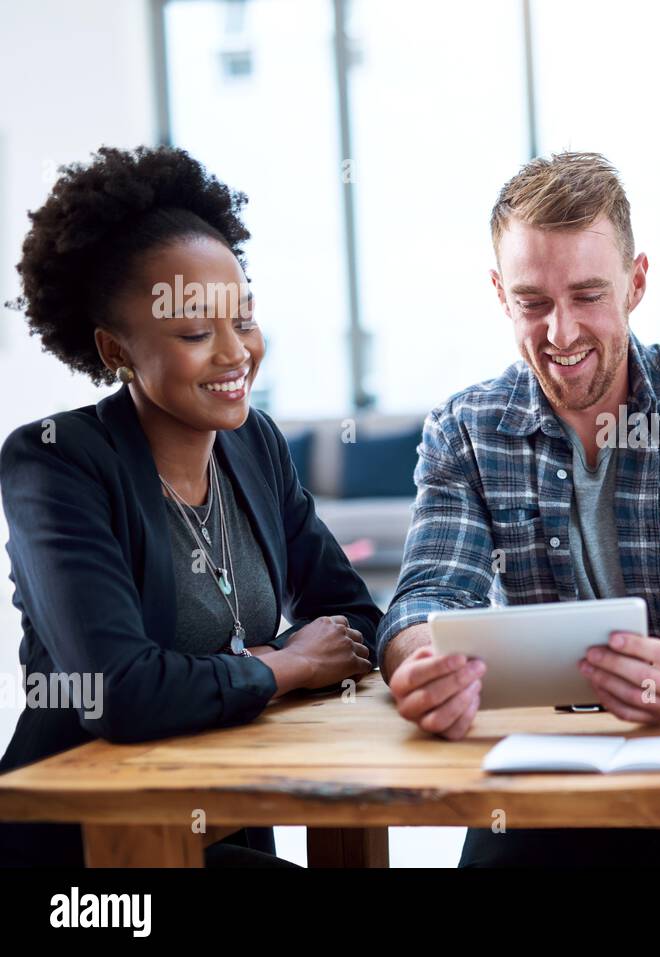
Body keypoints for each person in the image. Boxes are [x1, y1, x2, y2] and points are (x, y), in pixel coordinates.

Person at [379, 151, 660, 867]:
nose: (561, 334)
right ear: (499, 294)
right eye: (533, 303)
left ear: (636, 282)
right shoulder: (464, 429)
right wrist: (425, 665)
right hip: (538, 778)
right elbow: (421, 600)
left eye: (587, 295)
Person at [0, 146, 380, 867]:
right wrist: (283, 666)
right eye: (197, 332)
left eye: (244, 318)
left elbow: (354, 618)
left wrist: (272, 659)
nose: (237, 353)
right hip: (82, 847)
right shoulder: (54, 463)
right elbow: (122, 692)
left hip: (219, 813)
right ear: (117, 349)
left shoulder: (254, 446)